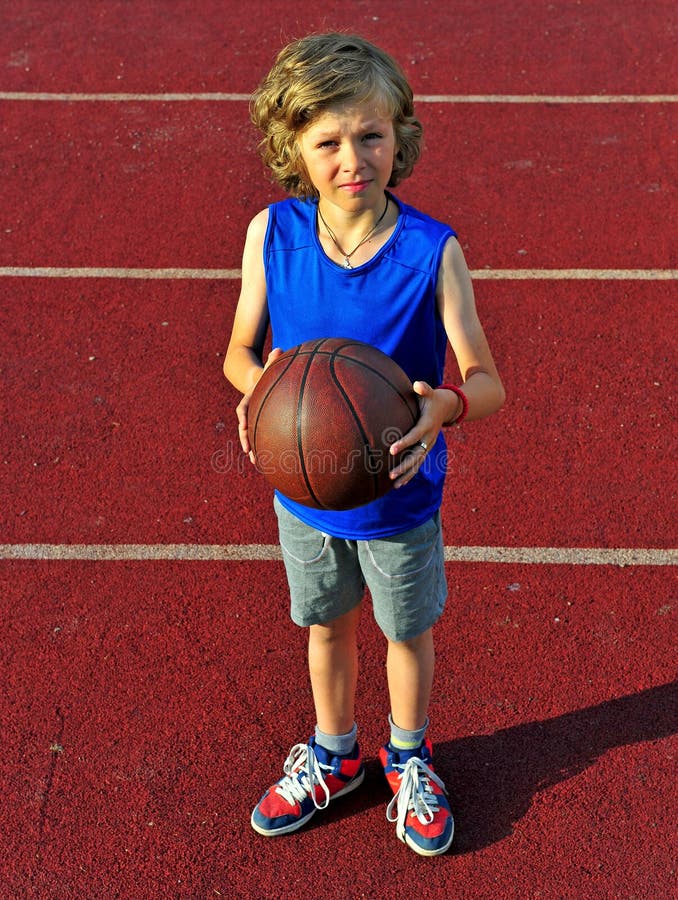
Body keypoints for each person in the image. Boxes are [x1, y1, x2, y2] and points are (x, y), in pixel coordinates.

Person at [224, 32, 505, 857]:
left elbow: (487, 380)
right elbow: (240, 353)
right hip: (305, 491)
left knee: (405, 633)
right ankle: (336, 754)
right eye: (329, 142)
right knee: (326, 628)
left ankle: (409, 756)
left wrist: (445, 405)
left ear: (400, 135)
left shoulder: (430, 251)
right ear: (294, 151)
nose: (354, 158)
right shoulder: (271, 236)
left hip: (399, 495)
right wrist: (262, 391)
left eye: (372, 134)